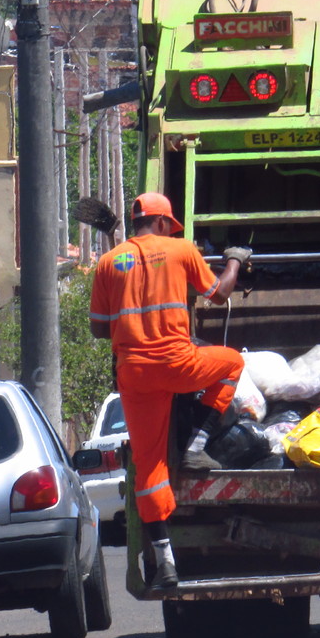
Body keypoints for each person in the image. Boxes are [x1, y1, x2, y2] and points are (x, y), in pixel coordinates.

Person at [89, 192, 249, 590]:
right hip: (179, 365)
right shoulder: (182, 250)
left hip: (136, 374)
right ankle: (197, 444)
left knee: (149, 468)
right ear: (162, 223)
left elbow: (98, 327)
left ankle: (166, 564)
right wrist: (235, 260)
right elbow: (220, 294)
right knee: (232, 362)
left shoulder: (109, 262)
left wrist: (132, 324)